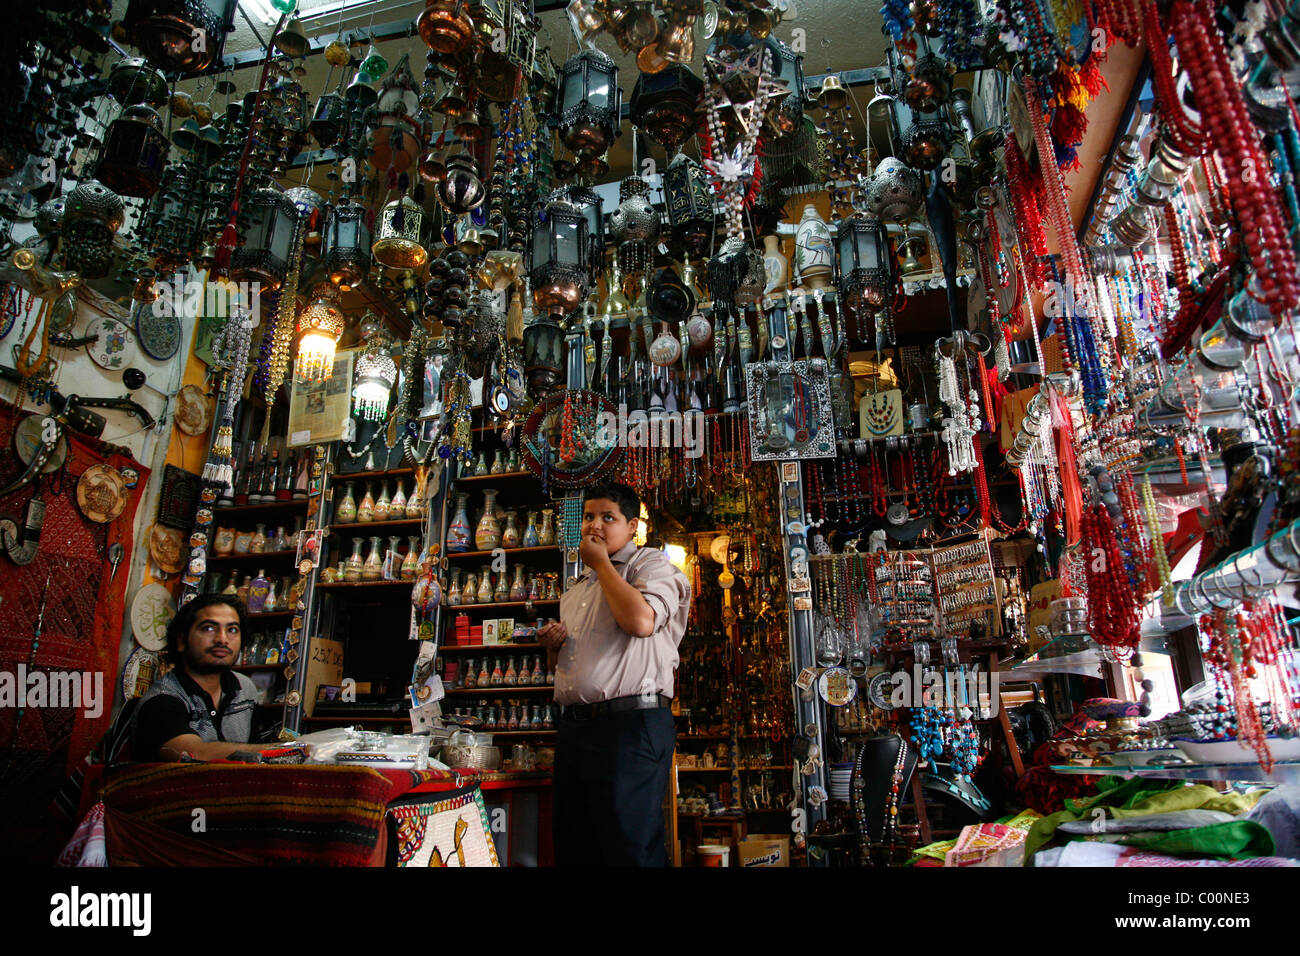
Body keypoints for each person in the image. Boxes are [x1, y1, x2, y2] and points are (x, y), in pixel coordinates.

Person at [536, 482, 691, 866]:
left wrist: (603, 563)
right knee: (576, 845)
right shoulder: (576, 591)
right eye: (589, 517)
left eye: (609, 518)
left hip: (631, 726)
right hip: (577, 728)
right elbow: (569, 669)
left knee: (628, 847)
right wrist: (554, 648)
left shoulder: (650, 566)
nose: (596, 527)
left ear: (632, 525)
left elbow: (640, 621)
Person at [131, 595, 267, 762]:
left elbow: (255, 755)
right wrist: (286, 749)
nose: (222, 639)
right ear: (181, 641)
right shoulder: (162, 700)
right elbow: (194, 754)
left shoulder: (245, 688)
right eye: (209, 628)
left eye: (232, 630)